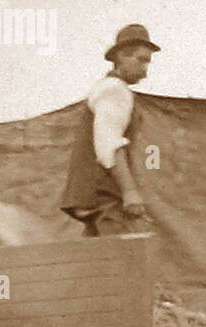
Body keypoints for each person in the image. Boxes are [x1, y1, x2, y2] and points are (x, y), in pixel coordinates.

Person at [61, 24, 160, 237]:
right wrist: (130, 191)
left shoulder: (107, 88)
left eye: (148, 62)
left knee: (99, 264)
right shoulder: (114, 89)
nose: (145, 70)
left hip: (96, 197)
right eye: (141, 60)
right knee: (128, 258)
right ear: (121, 56)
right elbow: (108, 143)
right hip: (106, 197)